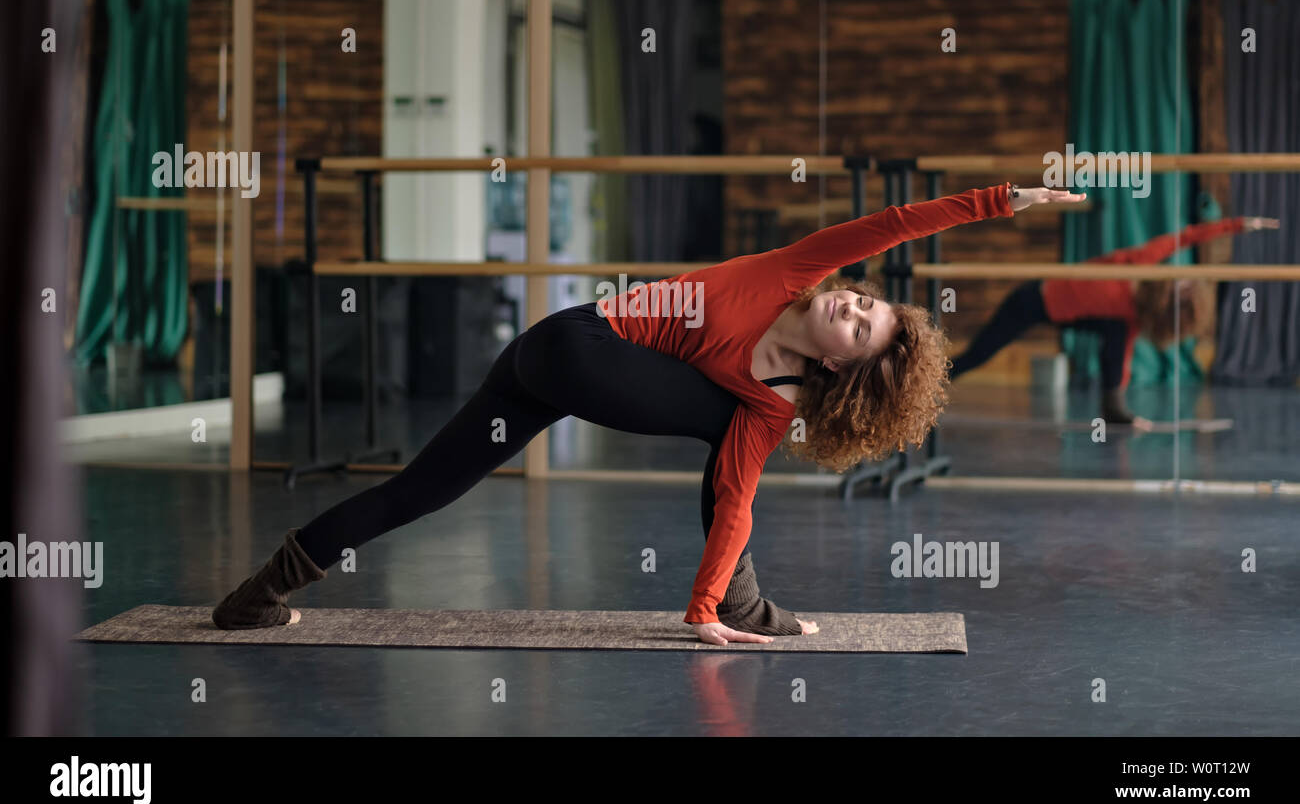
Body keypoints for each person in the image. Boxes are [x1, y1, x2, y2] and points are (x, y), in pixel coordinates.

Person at [212, 182, 1085, 646]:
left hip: (545, 381)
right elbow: (895, 222)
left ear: (839, 365)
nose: (851, 309)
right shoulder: (792, 269)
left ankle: (259, 595)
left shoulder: (767, 406)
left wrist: (701, 607)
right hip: (567, 347)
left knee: (420, 492)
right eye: (860, 302)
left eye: (860, 329)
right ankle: (742, 603)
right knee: (721, 424)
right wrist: (1003, 201)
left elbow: (735, 499)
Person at [948, 215, 1280, 428]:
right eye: (1183, 284)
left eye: (1182, 296)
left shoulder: (1132, 317)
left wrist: (1117, 394)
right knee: (981, 354)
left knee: (1118, 334)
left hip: (1071, 316)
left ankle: (1112, 407)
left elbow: (1122, 355)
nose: (1180, 286)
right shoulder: (1141, 263)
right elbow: (1188, 236)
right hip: (1036, 299)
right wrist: (1238, 225)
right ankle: (935, 380)